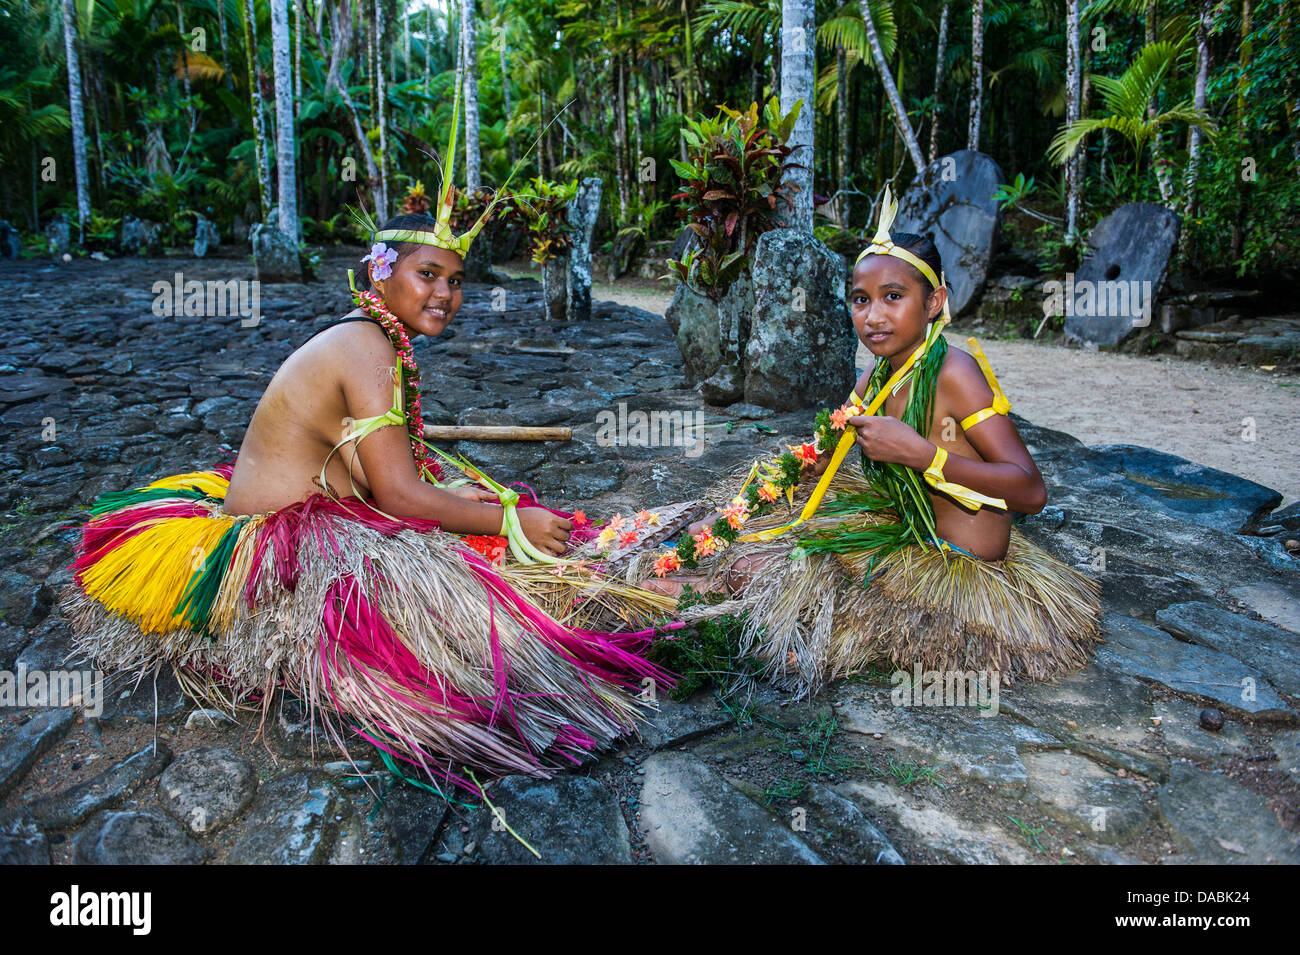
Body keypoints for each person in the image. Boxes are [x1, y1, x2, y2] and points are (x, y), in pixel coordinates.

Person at [58, 87, 677, 795]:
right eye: (427, 274)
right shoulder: (367, 348)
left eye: (455, 279)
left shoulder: (375, 340)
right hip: (271, 540)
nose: (445, 293)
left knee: (472, 513)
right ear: (382, 272)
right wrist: (507, 517)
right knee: (480, 562)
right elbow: (397, 494)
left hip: (307, 512)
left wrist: (459, 501)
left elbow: (378, 476)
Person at [636, 186, 1100, 697]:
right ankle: (723, 578)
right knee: (762, 525)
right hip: (900, 523)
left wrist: (924, 455)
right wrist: (776, 486)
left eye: (893, 297)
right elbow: (823, 450)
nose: (873, 316)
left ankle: (737, 604)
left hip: (952, 558)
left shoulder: (955, 371)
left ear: (935, 302)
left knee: (762, 573)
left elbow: (1031, 492)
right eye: (861, 300)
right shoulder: (879, 374)